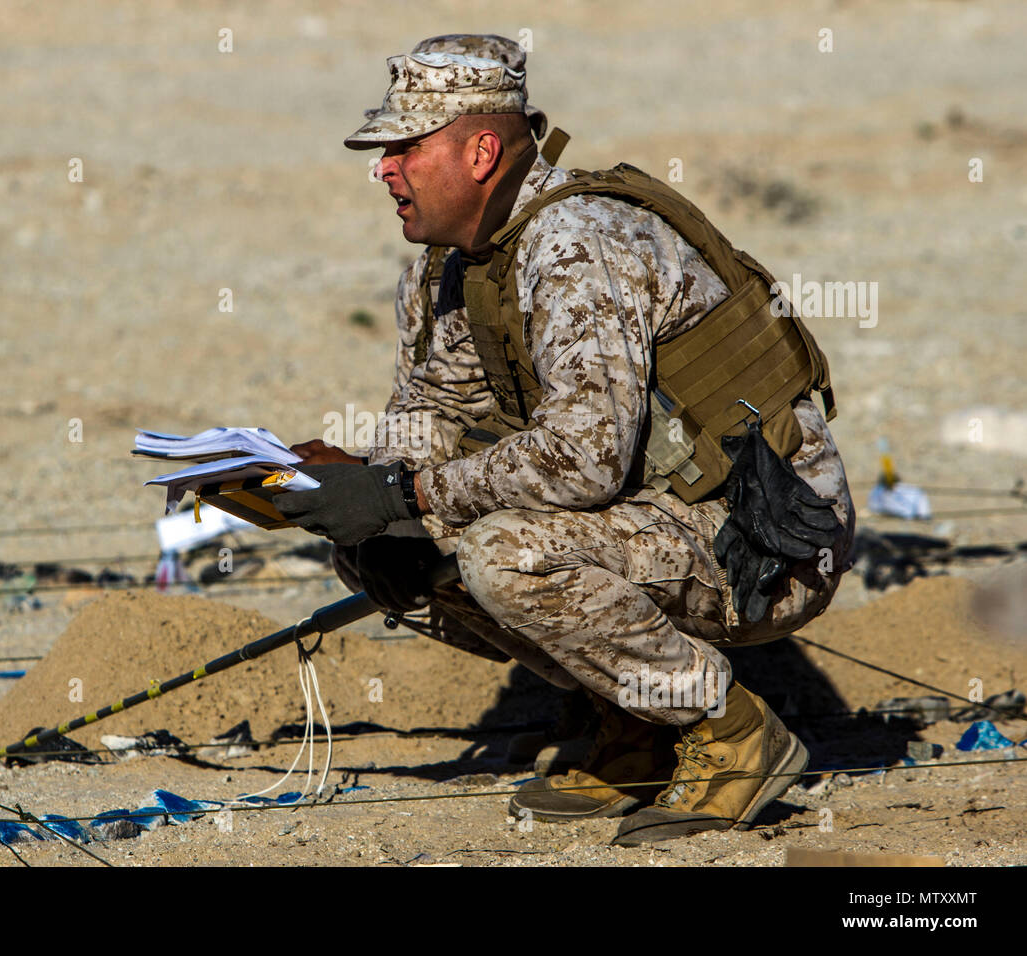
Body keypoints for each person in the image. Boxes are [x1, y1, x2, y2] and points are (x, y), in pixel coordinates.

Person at [281, 48, 854, 845]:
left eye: (405, 147)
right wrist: (360, 494)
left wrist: (404, 494)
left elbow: (584, 460)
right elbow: (436, 404)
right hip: (656, 510)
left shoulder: (577, 244)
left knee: (504, 554)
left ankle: (729, 730)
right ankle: (635, 726)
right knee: (387, 547)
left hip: (765, 537)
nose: (384, 169)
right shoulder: (462, 261)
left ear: (481, 153)